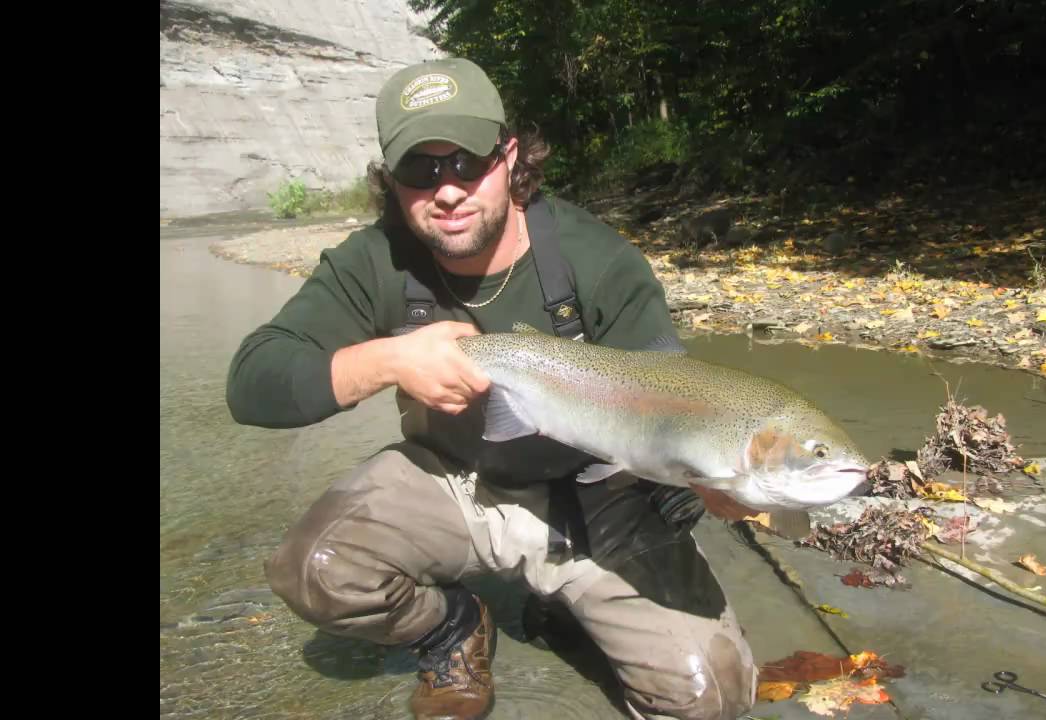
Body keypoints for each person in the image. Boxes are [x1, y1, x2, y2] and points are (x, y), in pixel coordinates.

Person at [224, 57, 758, 720]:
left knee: (713, 698)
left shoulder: (599, 262)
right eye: (421, 170)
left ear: (508, 157)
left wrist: (717, 480)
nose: (446, 191)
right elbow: (253, 382)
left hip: (602, 498)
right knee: (315, 571)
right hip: (455, 478)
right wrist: (388, 359)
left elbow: (679, 399)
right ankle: (450, 627)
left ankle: (571, 608)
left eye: (466, 163)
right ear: (391, 181)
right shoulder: (373, 261)